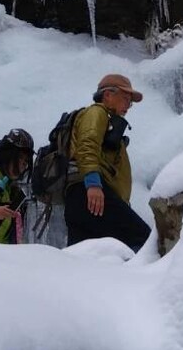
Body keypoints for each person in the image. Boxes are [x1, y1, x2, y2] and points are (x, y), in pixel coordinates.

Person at [64, 73, 151, 253]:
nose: (128, 105)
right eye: (125, 98)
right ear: (108, 95)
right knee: (143, 240)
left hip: (80, 197)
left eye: (130, 102)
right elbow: (87, 145)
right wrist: (93, 184)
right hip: (91, 192)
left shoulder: (107, 119)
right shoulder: (97, 112)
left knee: (82, 256)